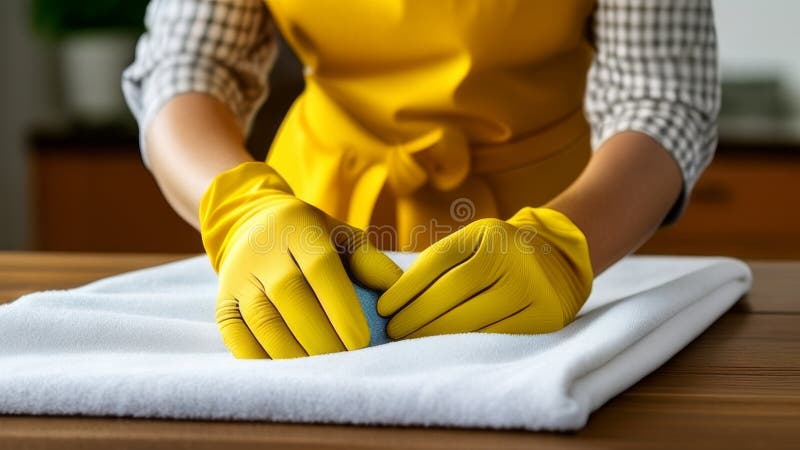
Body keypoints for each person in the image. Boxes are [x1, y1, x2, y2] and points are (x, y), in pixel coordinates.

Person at [123, 0, 719, 359]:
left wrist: (564, 246)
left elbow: (660, 96)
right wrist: (240, 209)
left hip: (552, 234)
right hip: (308, 228)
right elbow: (187, 65)